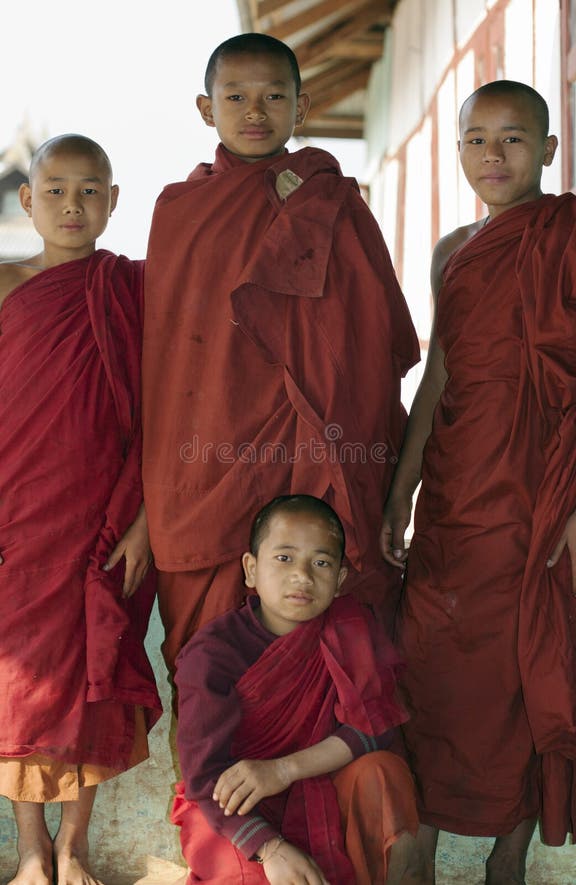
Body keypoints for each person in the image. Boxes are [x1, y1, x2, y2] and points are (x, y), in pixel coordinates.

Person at [142, 32, 420, 675]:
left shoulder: (331, 199)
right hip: (202, 456)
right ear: (206, 109)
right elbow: (166, 352)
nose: (255, 111)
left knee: (318, 637)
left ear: (302, 108)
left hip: (309, 450)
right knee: (209, 665)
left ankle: (311, 775)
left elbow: (373, 338)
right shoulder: (179, 212)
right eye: (236, 96)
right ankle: (207, 776)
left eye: (274, 96)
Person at [381, 80, 576, 884]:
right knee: (427, 655)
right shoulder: (453, 251)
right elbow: (440, 376)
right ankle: (421, 831)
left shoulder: (567, 234)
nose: (493, 155)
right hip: (460, 489)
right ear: (458, 148)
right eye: (476, 140)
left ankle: (512, 848)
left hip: (542, 483)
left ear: (550, 151)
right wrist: (401, 489)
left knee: (521, 659)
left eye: (514, 139)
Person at [0, 134, 162, 885]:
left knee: (94, 673)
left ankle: (74, 846)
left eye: (90, 189)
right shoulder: (4, 286)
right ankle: (31, 848)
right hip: (18, 514)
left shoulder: (132, 289)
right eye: (56, 190)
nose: (73, 204)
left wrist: (146, 521)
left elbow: (166, 411)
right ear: (28, 201)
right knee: (20, 684)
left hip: (104, 515)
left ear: (113, 201)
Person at [172, 494, 419, 885]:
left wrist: (284, 770)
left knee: (382, 773)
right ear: (251, 570)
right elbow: (204, 778)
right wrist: (269, 848)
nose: (303, 576)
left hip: (323, 786)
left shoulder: (350, 629)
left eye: (320, 563)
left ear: (338, 580)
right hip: (239, 806)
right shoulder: (213, 653)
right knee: (240, 865)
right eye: (284, 558)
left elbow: (377, 728)